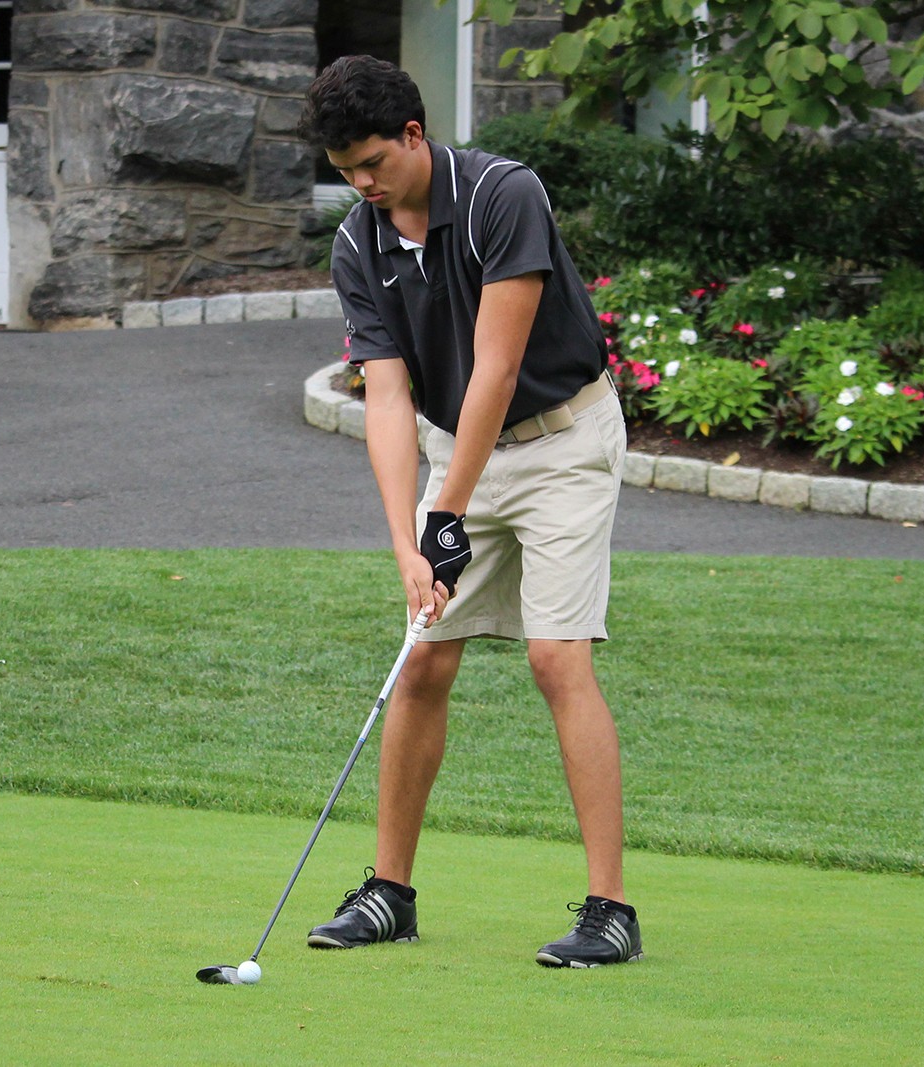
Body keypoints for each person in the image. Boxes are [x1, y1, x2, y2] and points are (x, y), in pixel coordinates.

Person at [298, 55, 641, 968]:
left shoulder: (501, 194)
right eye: (345, 171)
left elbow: (497, 365)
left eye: (373, 163)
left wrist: (445, 511)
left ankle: (611, 909)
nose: (363, 185)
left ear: (413, 134)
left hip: (563, 439)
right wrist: (411, 540)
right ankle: (389, 893)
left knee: (556, 659)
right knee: (421, 661)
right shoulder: (359, 242)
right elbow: (385, 399)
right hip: (459, 450)